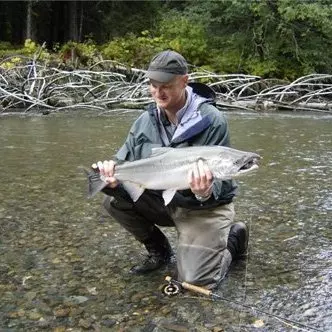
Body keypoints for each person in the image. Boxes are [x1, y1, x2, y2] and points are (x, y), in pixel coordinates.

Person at [95, 50, 248, 289]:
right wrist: (111, 177)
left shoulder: (212, 119)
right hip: (165, 201)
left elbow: (223, 179)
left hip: (203, 208)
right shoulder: (145, 120)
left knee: (197, 283)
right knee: (113, 200)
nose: (158, 92)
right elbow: (123, 161)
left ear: (184, 81)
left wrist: (204, 192)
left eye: (165, 85)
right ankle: (159, 250)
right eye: (153, 85)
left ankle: (233, 241)